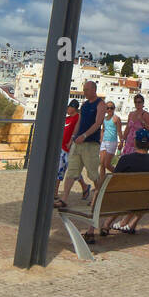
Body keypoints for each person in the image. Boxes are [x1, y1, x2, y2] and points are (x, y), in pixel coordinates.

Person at [58, 81, 104, 209]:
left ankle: (97, 197)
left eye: (87, 90)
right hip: (78, 143)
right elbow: (80, 122)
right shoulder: (84, 105)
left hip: (90, 144)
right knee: (72, 170)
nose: (85, 92)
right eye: (84, 90)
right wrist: (74, 137)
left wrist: (85, 135)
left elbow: (98, 123)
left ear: (94, 90)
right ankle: (64, 198)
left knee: (93, 173)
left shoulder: (100, 104)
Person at [108, 128, 149, 234]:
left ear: (135, 142)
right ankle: (130, 223)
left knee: (119, 194)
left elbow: (114, 180)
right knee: (141, 196)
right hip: (144, 200)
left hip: (123, 199)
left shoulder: (125, 159)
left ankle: (106, 223)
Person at [56, 100, 90, 201]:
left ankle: (84, 186)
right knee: (61, 169)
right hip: (63, 148)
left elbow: (76, 130)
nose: (67, 109)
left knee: (72, 170)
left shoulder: (77, 117)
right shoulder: (67, 118)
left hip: (71, 148)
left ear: (73, 108)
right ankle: (55, 191)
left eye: (69, 107)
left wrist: (72, 140)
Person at [98, 101, 121, 189]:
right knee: (102, 164)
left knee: (107, 164)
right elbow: (103, 130)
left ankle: (117, 175)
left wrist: (121, 142)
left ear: (114, 109)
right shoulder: (104, 119)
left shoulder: (116, 119)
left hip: (112, 142)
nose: (109, 109)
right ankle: (101, 184)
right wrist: (100, 140)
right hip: (104, 142)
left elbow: (119, 131)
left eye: (111, 108)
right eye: (107, 108)